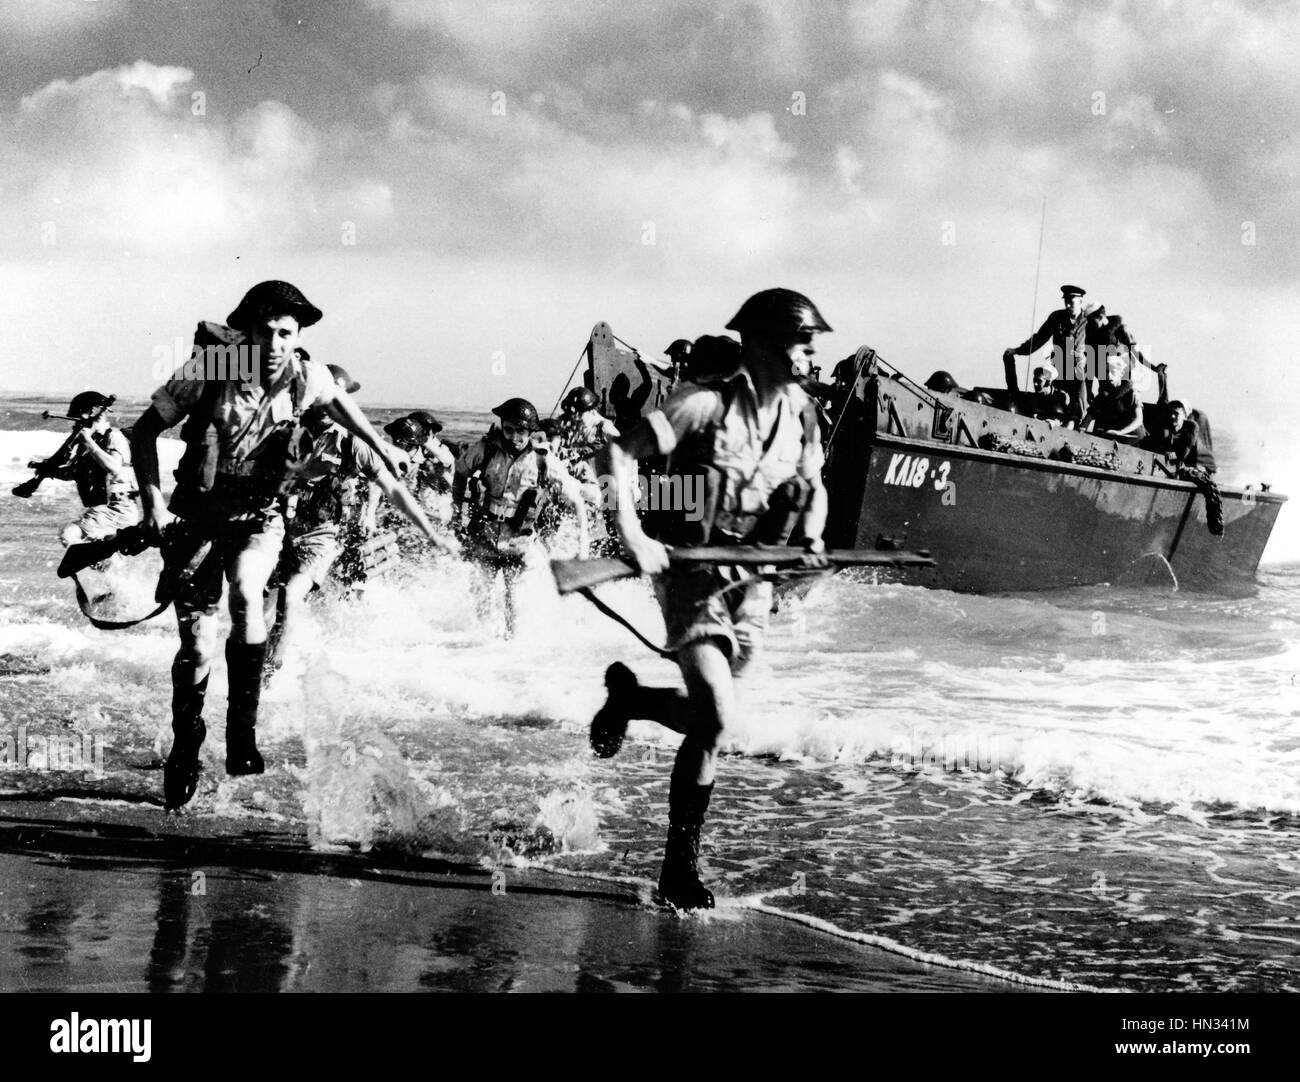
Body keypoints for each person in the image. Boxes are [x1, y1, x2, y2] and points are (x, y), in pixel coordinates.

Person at [130, 280, 415, 811]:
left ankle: (242, 729)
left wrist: (382, 446)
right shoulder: (208, 370)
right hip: (195, 518)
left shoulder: (307, 376)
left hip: (259, 517)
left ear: (298, 335)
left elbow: (341, 407)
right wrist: (152, 502)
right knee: (195, 648)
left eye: (288, 332)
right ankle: (186, 743)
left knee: (246, 594)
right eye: (266, 330)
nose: (277, 342)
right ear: (246, 330)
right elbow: (141, 432)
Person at [590, 287, 831, 910]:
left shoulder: (803, 414)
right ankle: (678, 872)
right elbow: (619, 453)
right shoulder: (702, 403)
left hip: (752, 583)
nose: (810, 353)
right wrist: (633, 534)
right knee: (718, 713)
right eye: (800, 342)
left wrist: (810, 537)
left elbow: (814, 484)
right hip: (690, 574)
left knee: (709, 722)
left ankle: (633, 698)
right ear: (761, 345)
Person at [265, 404, 455, 679]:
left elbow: (392, 487)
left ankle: (271, 670)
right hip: (279, 529)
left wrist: (431, 533)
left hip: (323, 534)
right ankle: (252, 664)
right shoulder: (285, 431)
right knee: (262, 604)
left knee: (291, 596)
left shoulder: (352, 444)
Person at [453, 398, 589, 636]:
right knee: (481, 602)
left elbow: (577, 499)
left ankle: (512, 649)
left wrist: (584, 549)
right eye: (508, 429)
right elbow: (460, 472)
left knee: (514, 605)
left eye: (520, 432)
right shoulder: (485, 450)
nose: (514, 437)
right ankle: (480, 652)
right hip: (485, 537)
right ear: (502, 426)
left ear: (531, 432)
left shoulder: (543, 459)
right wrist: (457, 513)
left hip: (521, 542)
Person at [45, 392, 141, 546]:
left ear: (92, 413)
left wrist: (88, 442)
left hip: (118, 510)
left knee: (69, 536)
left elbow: (114, 467)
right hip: (103, 511)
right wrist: (48, 471)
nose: (75, 422)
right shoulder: (91, 440)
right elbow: (76, 472)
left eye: (78, 416)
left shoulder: (114, 437)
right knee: (86, 548)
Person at [1003, 284, 1092, 421]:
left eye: (1071, 302)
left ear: (1081, 301)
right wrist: (1018, 350)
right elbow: (1039, 338)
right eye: (1066, 302)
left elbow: (1099, 349)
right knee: (1056, 404)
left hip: (1079, 372)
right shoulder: (1057, 317)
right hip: (1059, 369)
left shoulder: (1089, 322)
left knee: (1078, 410)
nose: (1068, 306)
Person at [1081, 352, 1147, 444]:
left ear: (1121, 373)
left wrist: (1120, 432)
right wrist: (1081, 430)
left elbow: (1138, 420)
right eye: (1106, 372)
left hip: (1132, 437)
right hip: (1112, 435)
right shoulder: (1103, 396)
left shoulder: (1132, 393)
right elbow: (1090, 415)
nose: (1109, 376)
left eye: (1113, 372)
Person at [559, 386, 619, 466]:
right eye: (572, 414)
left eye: (579, 414)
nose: (574, 418)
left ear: (591, 411)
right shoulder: (572, 422)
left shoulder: (606, 429)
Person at [1140, 399, 1199, 467]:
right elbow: (1154, 445)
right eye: (1170, 412)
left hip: (1191, 465)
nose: (1172, 416)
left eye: (1176, 413)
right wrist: (1164, 452)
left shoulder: (1191, 428)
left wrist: (1175, 456)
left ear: (1185, 416)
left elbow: (1183, 455)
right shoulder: (1165, 427)